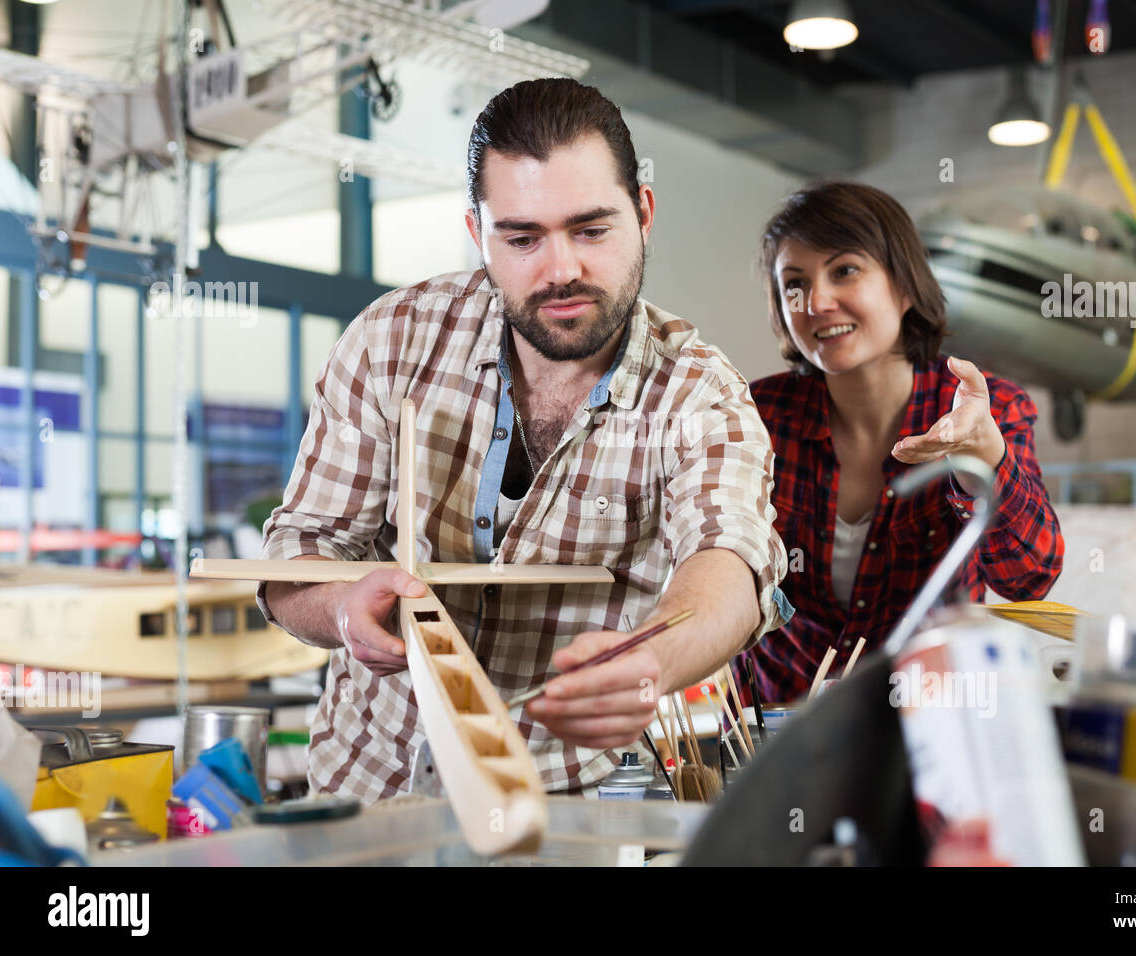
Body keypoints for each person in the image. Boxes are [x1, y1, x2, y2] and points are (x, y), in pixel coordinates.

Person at [258, 78, 792, 800]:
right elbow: (296, 559)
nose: (562, 269)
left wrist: (653, 660)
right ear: (479, 235)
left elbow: (730, 565)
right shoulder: (393, 341)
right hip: (368, 794)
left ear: (644, 213)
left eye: (592, 229)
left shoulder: (697, 392)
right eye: (522, 237)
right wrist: (342, 606)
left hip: (563, 814)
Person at [744, 180, 1062, 704]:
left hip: (936, 736)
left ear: (905, 286)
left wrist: (982, 459)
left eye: (845, 270)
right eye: (794, 284)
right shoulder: (755, 417)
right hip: (778, 740)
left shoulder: (987, 407)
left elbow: (1031, 577)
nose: (818, 301)